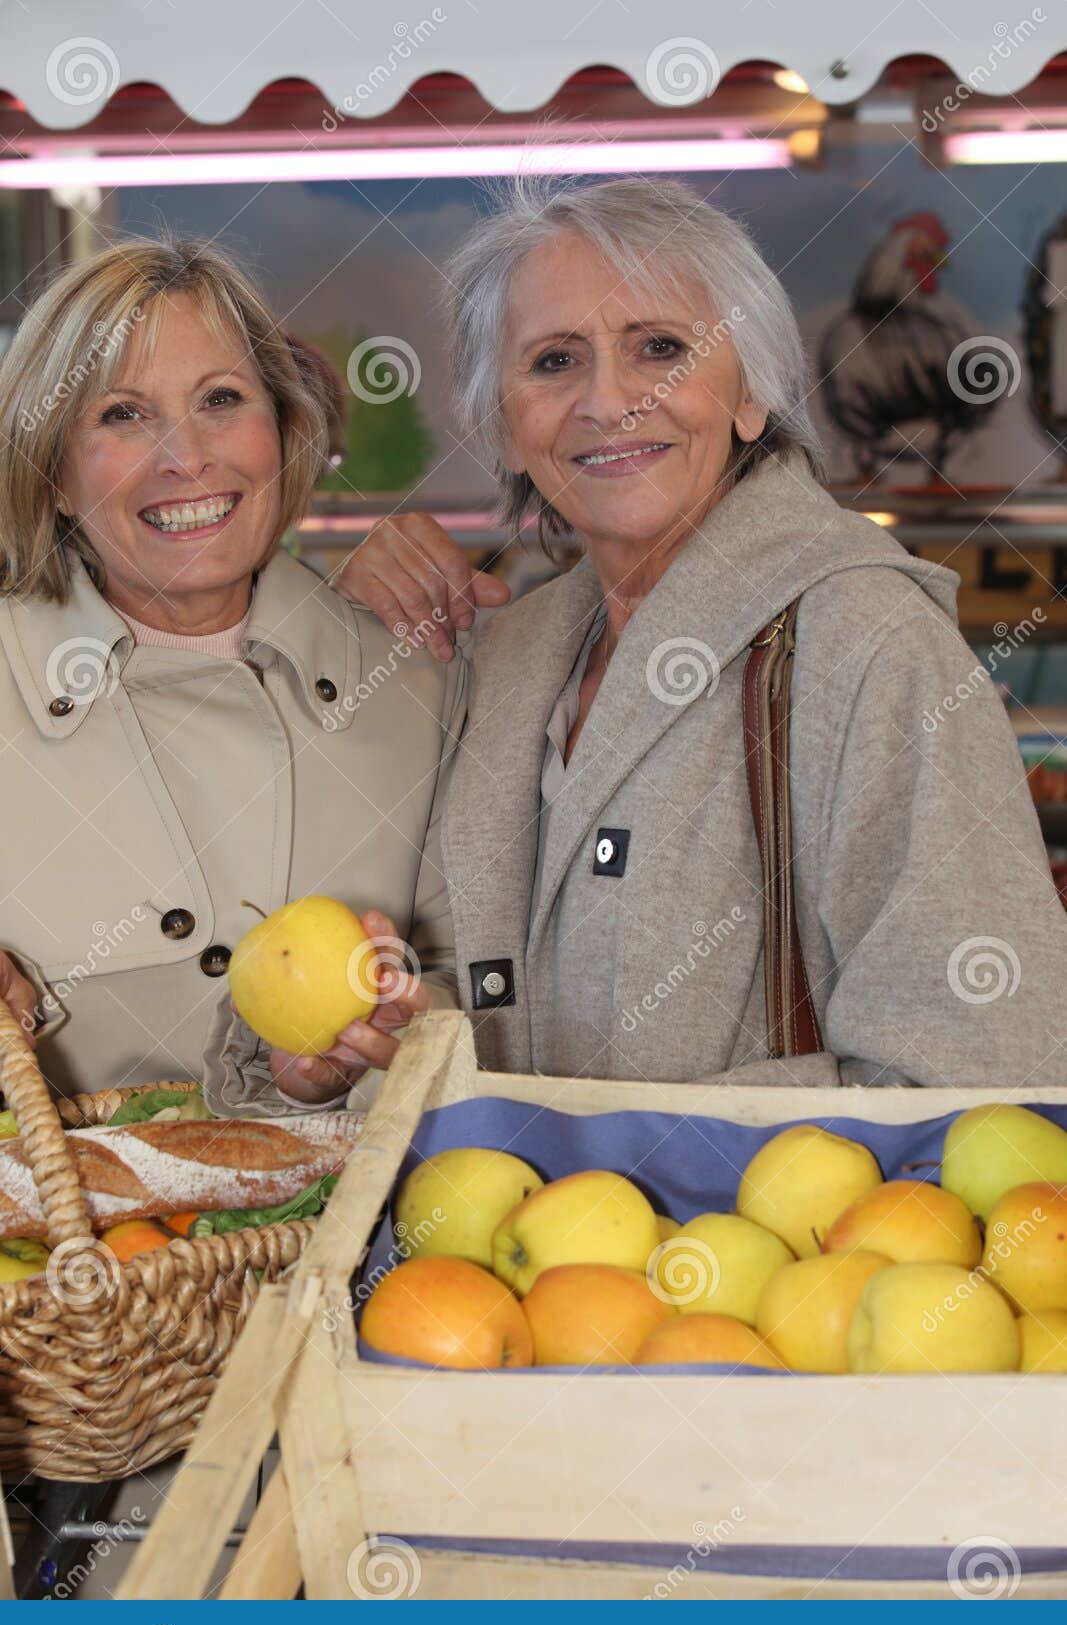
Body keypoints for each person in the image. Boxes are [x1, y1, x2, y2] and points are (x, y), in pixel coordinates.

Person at [335, 174, 1066, 1088]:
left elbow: (985, 1062)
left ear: (749, 396)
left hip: (750, 1231)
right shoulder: (505, 654)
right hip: (508, 1228)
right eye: (554, 360)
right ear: (505, 427)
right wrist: (404, 1029)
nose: (610, 401)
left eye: (660, 348)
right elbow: (513, 991)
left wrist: (614, 1151)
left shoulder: (867, 640)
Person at [0, 238, 466, 1113]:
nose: (186, 457)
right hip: (59, 1247)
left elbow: (486, 987)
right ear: (54, 475)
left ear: (284, 437)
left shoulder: (418, 683)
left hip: (378, 1238)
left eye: (222, 400)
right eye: (122, 415)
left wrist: (391, 1036)